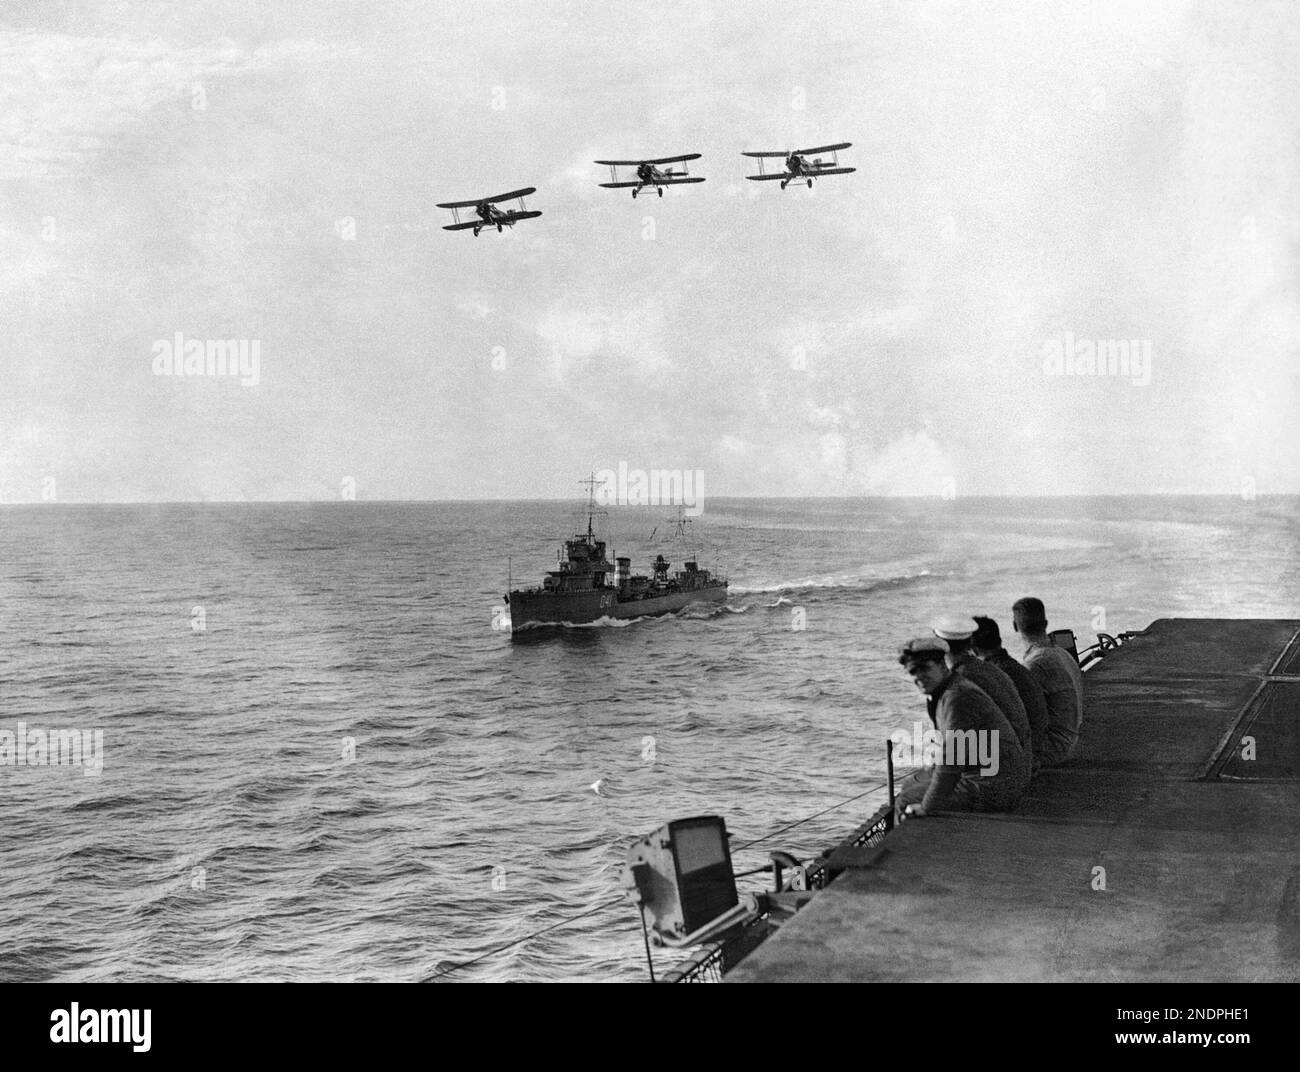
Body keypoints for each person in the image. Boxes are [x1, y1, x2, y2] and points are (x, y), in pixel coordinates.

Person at [895, 636, 1029, 817]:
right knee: (911, 784)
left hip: (993, 787)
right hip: (993, 777)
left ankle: (898, 846)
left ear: (942, 666)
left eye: (925, 668)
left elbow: (951, 762)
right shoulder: (947, 690)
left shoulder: (956, 697)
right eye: (913, 672)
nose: (919, 677)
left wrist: (927, 807)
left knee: (905, 800)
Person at [932, 614, 1033, 771]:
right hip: (1020, 762)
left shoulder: (960, 681)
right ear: (971, 643)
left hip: (997, 773)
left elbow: (953, 746)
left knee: (914, 789)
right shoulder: (990, 668)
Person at [972, 615, 1050, 774]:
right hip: (1033, 752)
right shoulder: (1013, 668)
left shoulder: (993, 676)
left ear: (972, 648)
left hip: (1022, 762)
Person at [1012, 597, 1084, 766]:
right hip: (1071, 738)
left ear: (1015, 626)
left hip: (1054, 748)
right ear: (1045, 623)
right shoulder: (1062, 654)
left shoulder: (1035, 665)